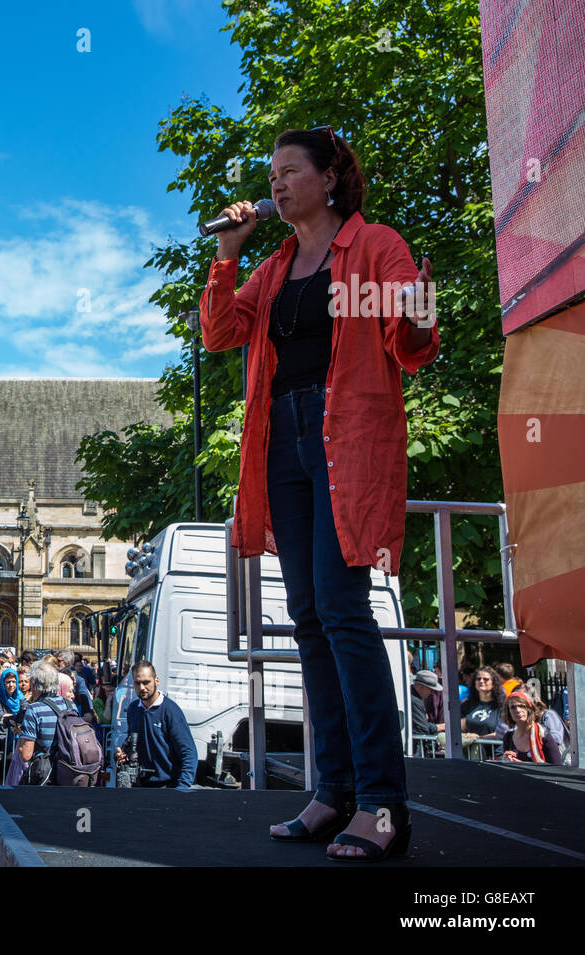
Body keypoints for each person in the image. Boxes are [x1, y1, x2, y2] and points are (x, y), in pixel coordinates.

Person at [204, 127, 437, 862]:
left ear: (331, 176)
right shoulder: (273, 268)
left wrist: (420, 307)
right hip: (282, 442)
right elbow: (219, 333)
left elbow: (413, 347)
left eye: (290, 171)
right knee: (306, 615)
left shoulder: (373, 247)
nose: (275, 185)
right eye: (270, 175)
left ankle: (382, 803)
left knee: (342, 609)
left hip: (345, 438)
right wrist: (228, 252)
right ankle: (332, 792)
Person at [114, 663, 196, 791]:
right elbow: (133, 743)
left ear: (156, 681)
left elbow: (189, 753)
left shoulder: (170, 711)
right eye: (137, 683)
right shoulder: (133, 709)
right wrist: (123, 755)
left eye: (146, 682)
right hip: (139, 785)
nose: (142, 687)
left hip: (167, 787)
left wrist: (182, 788)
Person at [14, 662, 76, 786]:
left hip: (46, 776)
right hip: (70, 773)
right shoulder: (71, 706)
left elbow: (25, 755)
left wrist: (21, 736)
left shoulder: (34, 709)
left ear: (34, 684)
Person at [499, 691, 563, 765]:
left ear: (529, 709)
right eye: (513, 707)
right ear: (508, 712)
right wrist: (506, 760)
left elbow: (557, 766)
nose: (518, 710)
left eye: (522, 706)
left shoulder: (544, 736)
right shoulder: (508, 737)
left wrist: (522, 765)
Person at [460, 667, 505, 737]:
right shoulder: (467, 704)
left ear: (493, 683)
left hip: (494, 747)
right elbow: (460, 727)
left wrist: (478, 738)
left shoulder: (501, 705)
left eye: (486, 679)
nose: (481, 681)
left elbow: (503, 732)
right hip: (471, 747)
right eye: (478, 679)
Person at [409, 670, 443, 737]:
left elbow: (423, 725)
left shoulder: (414, 698)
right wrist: (438, 727)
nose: (432, 693)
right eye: (431, 689)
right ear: (421, 686)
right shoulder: (415, 702)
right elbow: (422, 729)